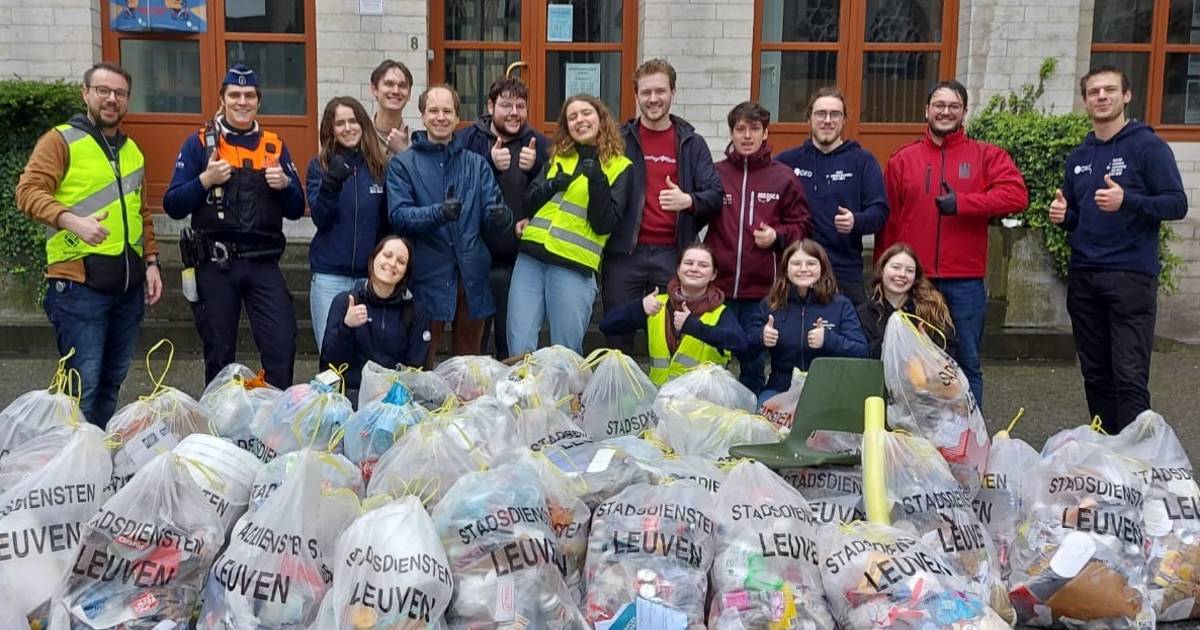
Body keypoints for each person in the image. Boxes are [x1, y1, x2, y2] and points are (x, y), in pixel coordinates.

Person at [15, 62, 162, 427]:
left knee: (111, 382)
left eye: (120, 93)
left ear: (127, 100)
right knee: (82, 387)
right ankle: (71, 464)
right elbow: (27, 192)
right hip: (79, 287)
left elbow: (141, 212)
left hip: (127, 287)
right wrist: (70, 220)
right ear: (86, 94)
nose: (112, 99)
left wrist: (153, 262)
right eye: (103, 91)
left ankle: (92, 456)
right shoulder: (60, 140)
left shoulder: (132, 151)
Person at [1049, 66, 1189, 432]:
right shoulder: (1079, 156)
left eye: (1110, 90)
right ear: (1085, 101)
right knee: (1095, 373)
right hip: (1085, 277)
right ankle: (1107, 453)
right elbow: (1079, 216)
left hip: (1131, 277)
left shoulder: (1148, 147)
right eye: (1094, 91)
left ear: (1126, 96)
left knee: (1128, 376)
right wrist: (1065, 217)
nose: (1101, 96)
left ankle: (1136, 461)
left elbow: (1176, 204)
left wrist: (1128, 200)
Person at [879, 79, 1028, 407]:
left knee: (968, 361)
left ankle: (969, 436)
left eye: (953, 106)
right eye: (939, 105)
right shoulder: (903, 159)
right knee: (911, 360)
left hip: (964, 279)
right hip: (916, 281)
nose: (945, 112)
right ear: (927, 110)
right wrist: (884, 274)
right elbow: (889, 222)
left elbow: (1016, 195)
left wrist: (963, 203)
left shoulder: (985, 155)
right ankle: (916, 432)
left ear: (963, 112)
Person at [163, 64, 306, 388]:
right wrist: (205, 179)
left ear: (258, 101)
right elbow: (173, 204)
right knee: (218, 350)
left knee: (281, 343)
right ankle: (220, 423)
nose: (242, 101)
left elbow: (297, 209)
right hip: (216, 264)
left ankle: (275, 422)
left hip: (263, 262)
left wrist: (285, 184)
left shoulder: (275, 145)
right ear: (223, 99)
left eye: (249, 95)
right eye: (235, 95)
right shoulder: (200, 144)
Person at [603, 58, 724, 351]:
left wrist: (689, 200)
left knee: (674, 335)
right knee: (617, 336)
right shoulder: (619, 139)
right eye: (646, 92)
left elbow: (715, 194)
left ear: (673, 93)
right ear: (636, 96)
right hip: (624, 253)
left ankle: (669, 395)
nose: (653, 99)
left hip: (673, 254)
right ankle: (620, 396)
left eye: (660, 91)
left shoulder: (691, 143)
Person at [388, 85, 511, 367]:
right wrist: (438, 213)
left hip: (471, 277)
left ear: (457, 118)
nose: (440, 117)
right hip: (427, 275)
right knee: (420, 362)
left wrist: (500, 216)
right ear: (422, 115)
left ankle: (465, 411)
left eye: (447, 111)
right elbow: (399, 215)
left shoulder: (477, 165)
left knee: (468, 368)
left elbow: (493, 210)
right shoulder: (404, 165)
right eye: (433, 110)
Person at [507, 94, 632, 356]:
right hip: (530, 259)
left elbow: (604, 224)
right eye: (572, 116)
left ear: (600, 118)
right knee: (519, 345)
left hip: (572, 266)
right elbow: (529, 203)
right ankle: (521, 397)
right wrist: (551, 185)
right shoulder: (558, 157)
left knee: (564, 353)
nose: (579, 120)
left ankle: (564, 398)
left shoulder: (620, 166)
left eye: (586, 113)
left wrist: (597, 179)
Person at [706, 100, 811, 394]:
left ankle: (751, 424)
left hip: (762, 292)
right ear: (731, 133)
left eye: (754, 129)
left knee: (753, 363)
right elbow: (697, 211)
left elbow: (803, 227)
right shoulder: (715, 174)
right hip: (718, 288)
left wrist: (777, 236)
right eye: (741, 129)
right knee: (713, 361)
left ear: (765, 133)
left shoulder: (783, 177)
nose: (747, 136)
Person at [456, 76, 550, 359]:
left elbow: (552, 196)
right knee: (473, 345)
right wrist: (488, 163)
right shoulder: (467, 139)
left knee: (510, 344)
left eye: (520, 106)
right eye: (506, 105)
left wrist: (535, 169)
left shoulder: (538, 144)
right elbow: (455, 188)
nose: (514, 112)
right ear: (490, 105)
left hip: (520, 260)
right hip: (475, 258)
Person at [777, 87, 889, 308]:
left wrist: (856, 221)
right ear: (809, 118)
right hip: (798, 269)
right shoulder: (787, 162)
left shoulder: (862, 161)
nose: (827, 120)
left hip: (845, 271)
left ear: (844, 120)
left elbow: (880, 211)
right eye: (820, 114)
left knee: (850, 338)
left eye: (835, 114)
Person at [306, 96, 390, 349]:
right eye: (340, 123)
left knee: (367, 354)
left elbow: (387, 225)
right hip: (329, 276)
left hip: (368, 279)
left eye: (353, 121)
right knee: (330, 352)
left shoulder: (379, 168)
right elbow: (320, 218)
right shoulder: (318, 166)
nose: (348, 128)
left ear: (363, 124)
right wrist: (331, 182)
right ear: (331, 129)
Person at [600, 243, 748, 386]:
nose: (694, 269)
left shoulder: (719, 311)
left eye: (703, 265)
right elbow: (607, 325)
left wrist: (693, 327)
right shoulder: (657, 304)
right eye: (688, 263)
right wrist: (639, 307)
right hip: (658, 402)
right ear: (678, 269)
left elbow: (741, 344)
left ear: (713, 275)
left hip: (702, 405)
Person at [748, 239, 868, 405]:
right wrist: (761, 338)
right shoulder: (770, 304)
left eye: (811, 263)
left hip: (827, 390)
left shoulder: (840, 305)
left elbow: (862, 352)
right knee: (760, 426)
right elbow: (745, 350)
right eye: (796, 263)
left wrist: (828, 339)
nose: (803, 269)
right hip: (780, 388)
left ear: (822, 268)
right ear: (786, 268)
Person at [320, 236, 430, 394]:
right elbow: (328, 363)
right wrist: (346, 327)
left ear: (405, 272)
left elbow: (416, 369)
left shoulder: (415, 311)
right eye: (387, 255)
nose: (392, 264)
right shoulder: (346, 301)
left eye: (401, 261)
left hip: (393, 400)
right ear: (373, 259)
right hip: (350, 395)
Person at [858, 243, 957, 359]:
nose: (902, 274)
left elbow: (950, 349)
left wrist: (926, 344)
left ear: (915, 277)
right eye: (896, 267)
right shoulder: (864, 313)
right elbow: (863, 353)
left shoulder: (932, 308)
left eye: (909, 271)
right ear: (882, 270)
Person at [370, 59, 413, 154]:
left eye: (402, 86)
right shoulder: (360, 136)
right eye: (389, 84)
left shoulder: (416, 143)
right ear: (374, 89)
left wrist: (404, 152)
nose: (396, 91)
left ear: (409, 94)